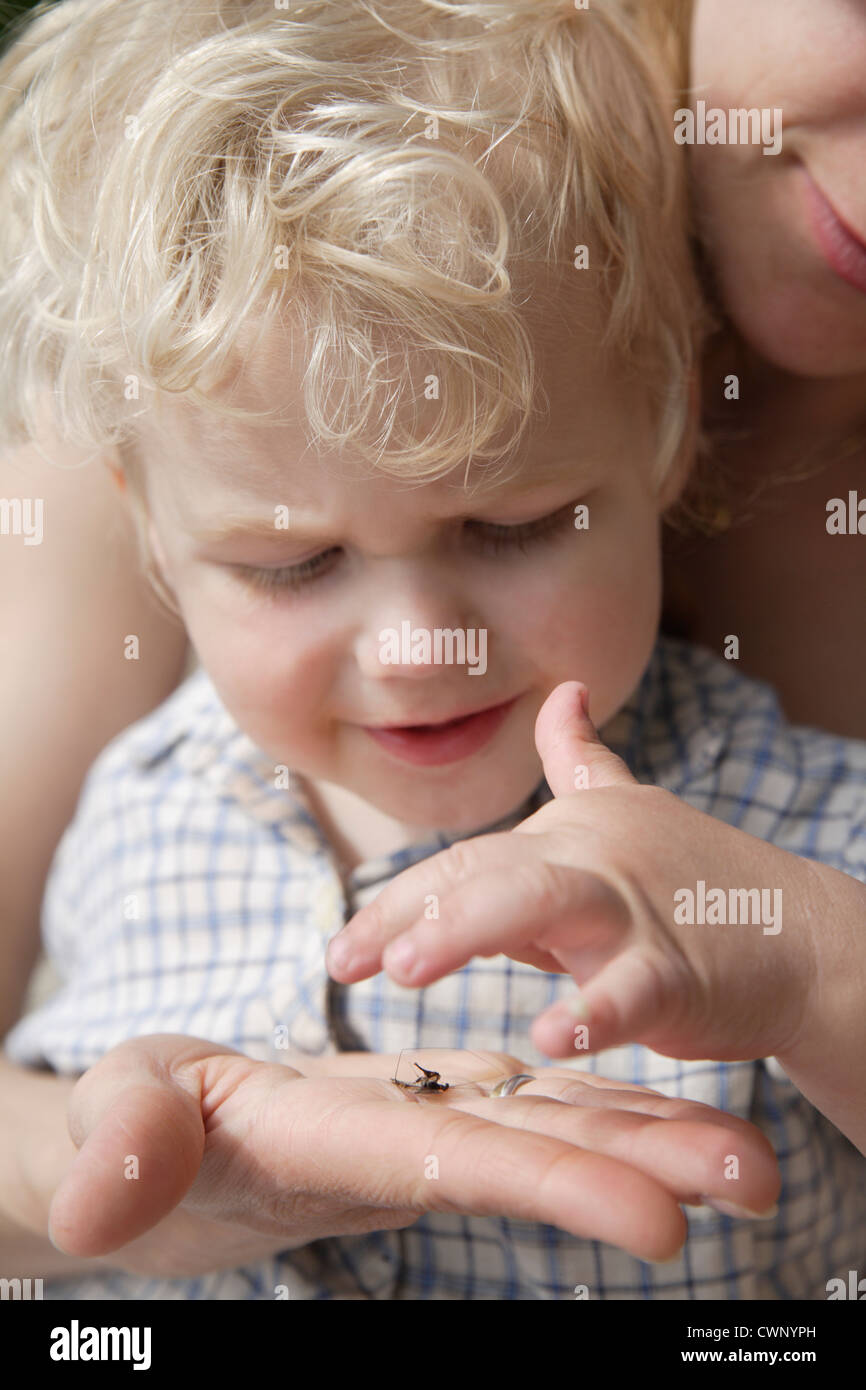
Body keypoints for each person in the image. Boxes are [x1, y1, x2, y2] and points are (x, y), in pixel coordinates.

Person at [0, 0, 861, 1301]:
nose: (416, 645)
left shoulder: (780, 822)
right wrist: (110, 1156)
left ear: (668, 433)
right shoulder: (132, 812)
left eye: (509, 526)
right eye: (291, 563)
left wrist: (801, 968)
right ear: (153, 533)